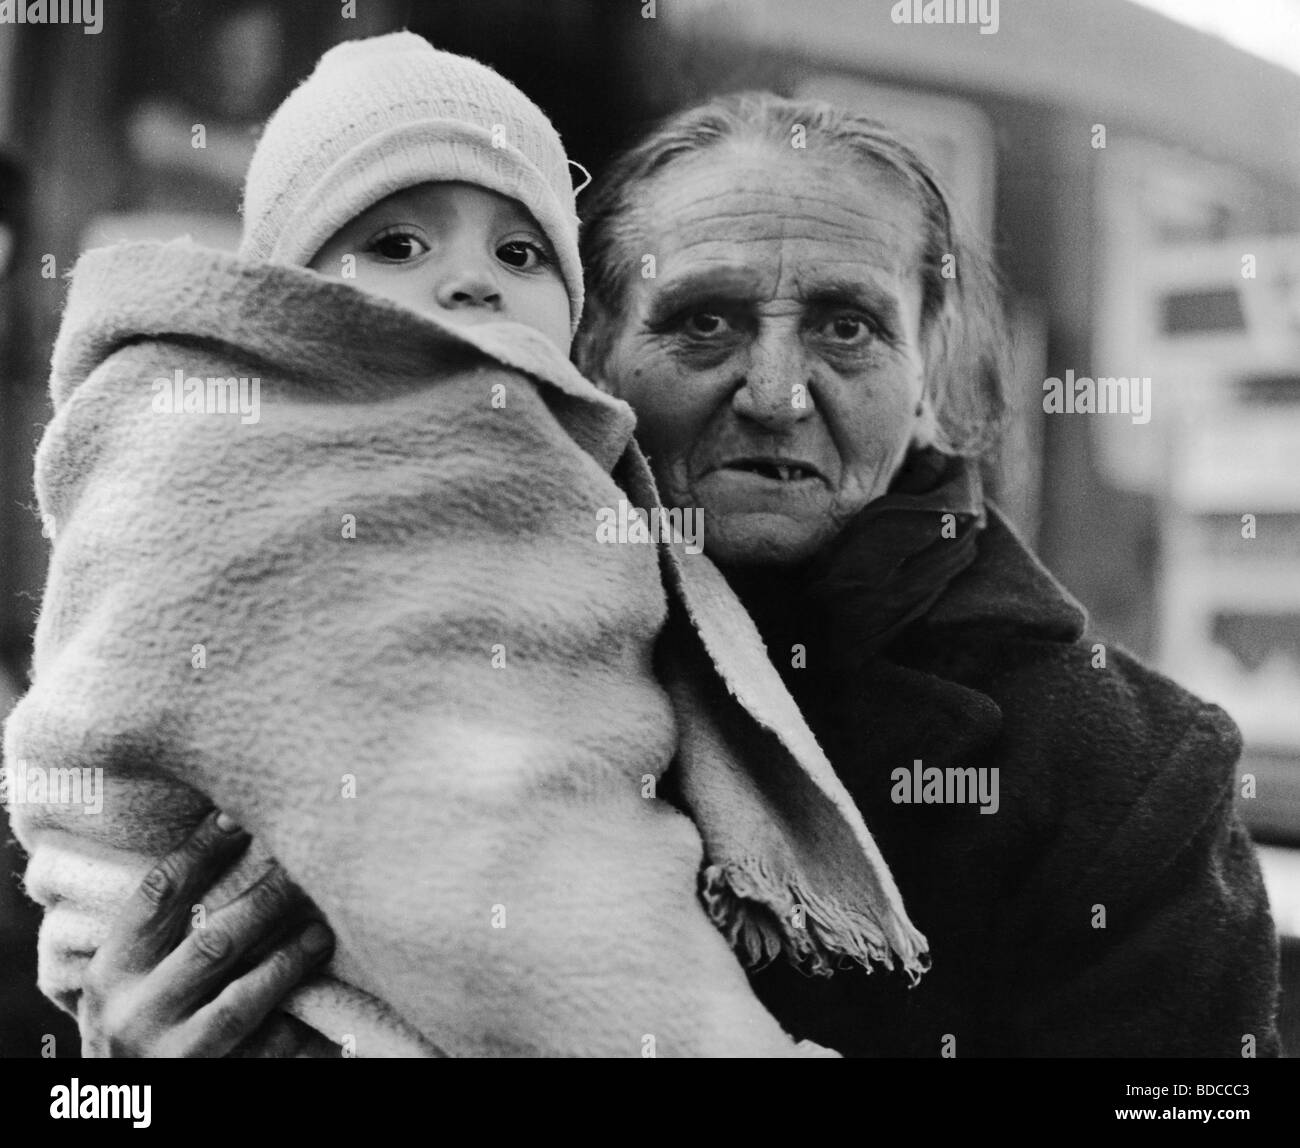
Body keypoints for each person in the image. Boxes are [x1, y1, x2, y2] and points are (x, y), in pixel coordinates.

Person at [67, 89, 1281, 1058]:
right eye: (700, 321)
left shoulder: (1134, 770)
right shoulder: (362, 629)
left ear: (936, 378)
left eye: (847, 326)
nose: (774, 390)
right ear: (584, 351)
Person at [5, 36, 926, 1059]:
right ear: (283, 304)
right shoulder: (239, 465)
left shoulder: (1044, 739)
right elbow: (488, 847)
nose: (472, 282)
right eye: (395, 244)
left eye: (520, 252)